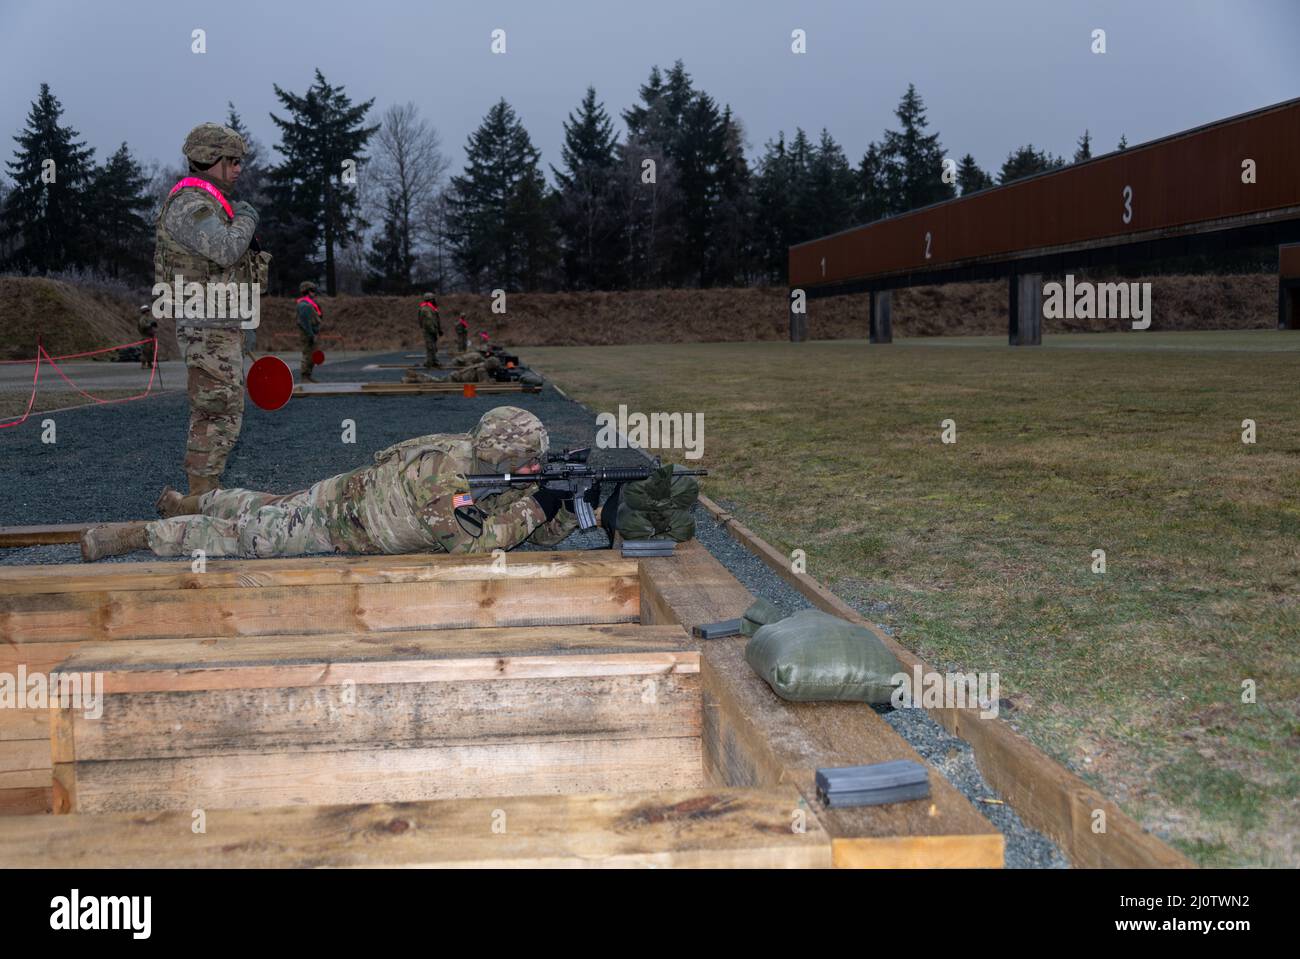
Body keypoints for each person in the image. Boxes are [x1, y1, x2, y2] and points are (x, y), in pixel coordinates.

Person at [81, 407, 584, 561]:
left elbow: (533, 536)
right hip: (339, 522)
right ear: (504, 456)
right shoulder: (442, 472)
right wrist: (538, 504)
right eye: (530, 464)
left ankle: (184, 502)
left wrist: (562, 506)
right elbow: (470, 546)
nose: (534, 471)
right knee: (250, 535)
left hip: (347, 494)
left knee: (259, 504)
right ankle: (138, 534)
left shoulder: (485, 461)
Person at [156, 122, 268, 498]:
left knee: (225, 411)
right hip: (205, 326)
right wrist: (247, 219)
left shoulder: (211, 205)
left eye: (239, 161)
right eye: (231, 161)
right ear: (208, 159)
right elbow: (225, 250)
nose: (238, 168)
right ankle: (198, 499)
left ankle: (204, 493)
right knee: (216, 411)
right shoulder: (190, 205)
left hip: (218, 322)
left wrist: (241, 322)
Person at [297, 281, 323, 381]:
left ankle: (308, 376)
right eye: (312, 290)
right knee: (307, 355)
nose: (314, 293)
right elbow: (305, 323)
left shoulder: (308, 304)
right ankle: (305, 376)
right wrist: (311, 334)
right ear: (307, 291)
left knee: (312, 355)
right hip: (308, 334)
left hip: (311, 333)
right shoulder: (304, 305)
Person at [418, 293, 442, 368]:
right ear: (430, 300)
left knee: (433, 347)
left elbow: (436, 320)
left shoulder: (431, 308)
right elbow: (428, 322)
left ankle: (434, 361)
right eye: (432, 299)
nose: (434, 300)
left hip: (432, 330)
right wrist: (434, 331)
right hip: (429, 331)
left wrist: (439, 329)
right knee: (430, 347)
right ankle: (429, 362)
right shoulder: (426, 309)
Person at [137, 305, 158, 369]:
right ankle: (143, 364)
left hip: (150, 337)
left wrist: (153, 326)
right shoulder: (143, 318)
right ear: (144, 311)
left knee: (150, 351)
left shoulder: (147, 318)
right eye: (147, 311)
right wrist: (150, 324)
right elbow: (143, 326)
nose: (149, 312)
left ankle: (149, 364)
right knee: (145, 351)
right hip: (145, 337)